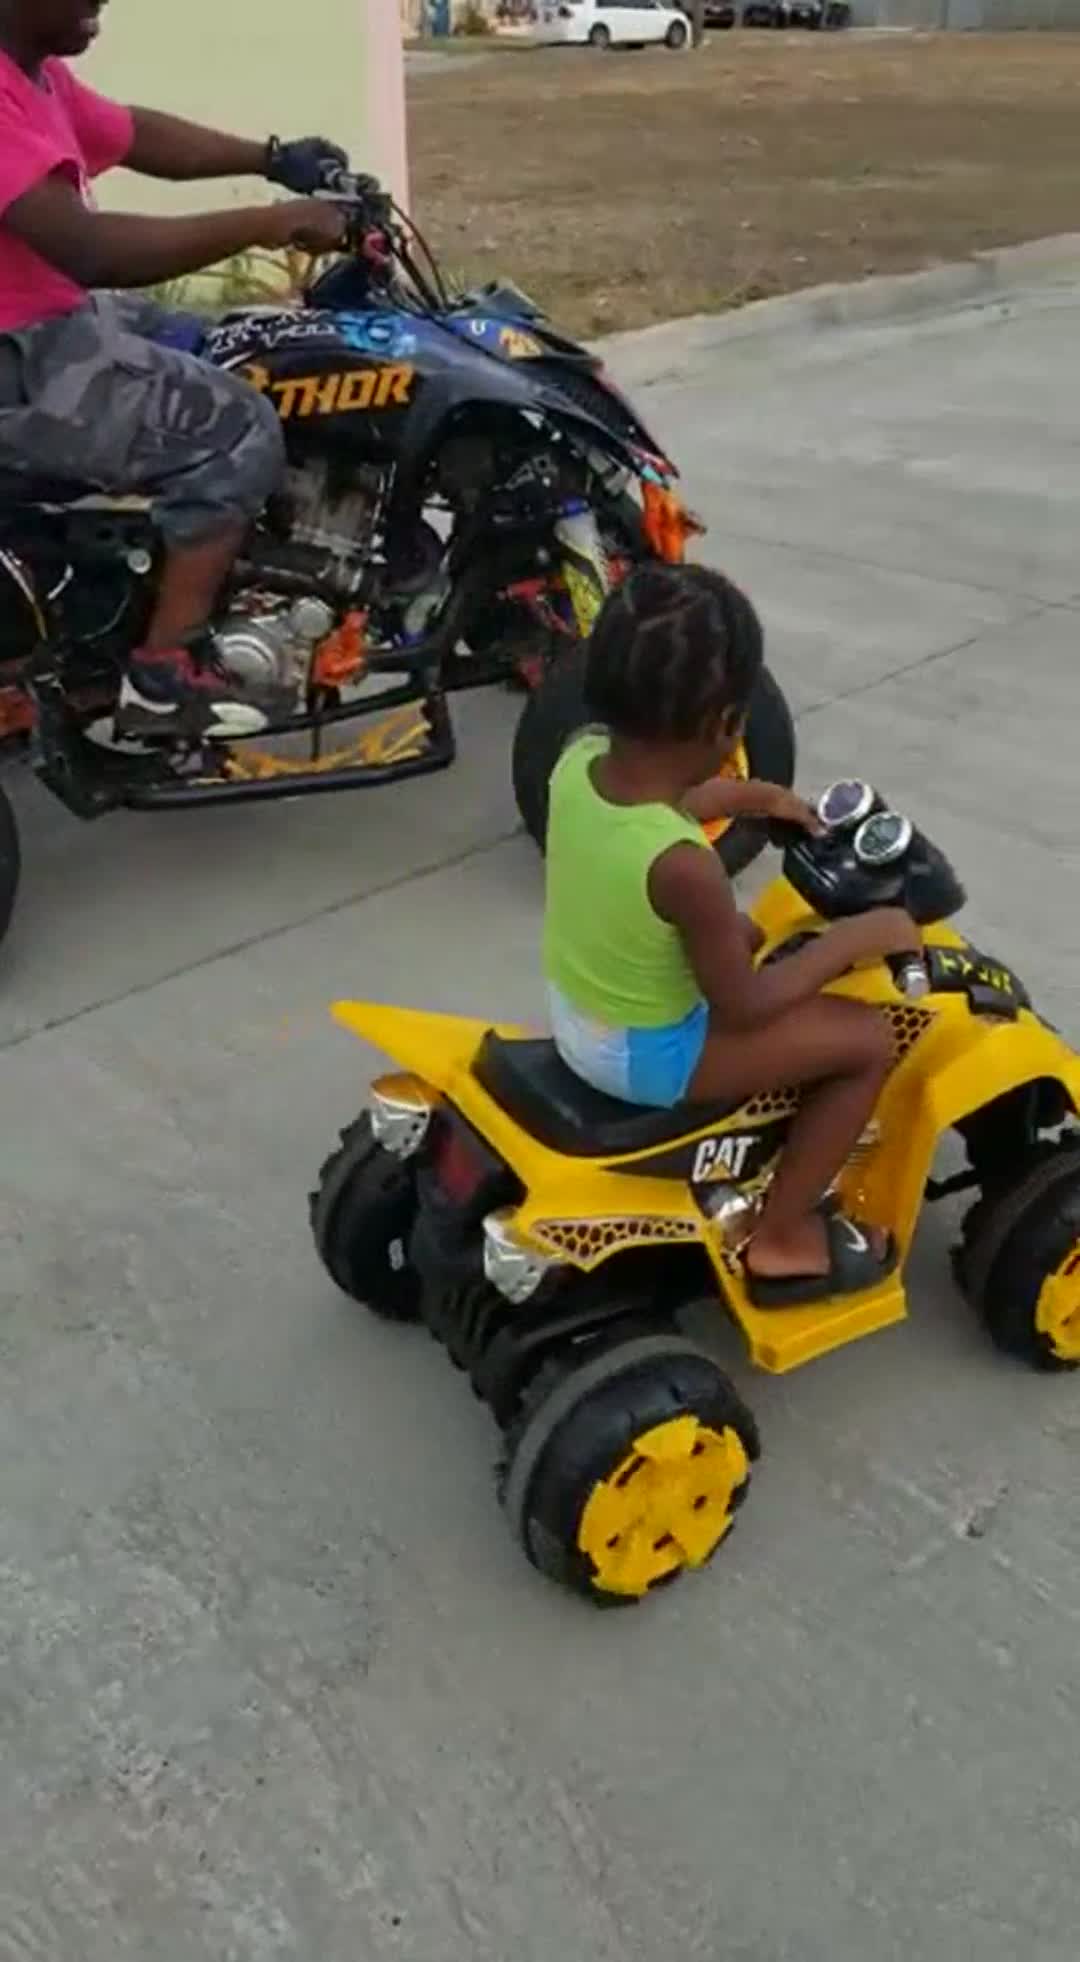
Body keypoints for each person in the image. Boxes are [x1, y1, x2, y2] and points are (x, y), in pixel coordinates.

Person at [542, 563, 923, 1305]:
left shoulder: (579, 762)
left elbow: (671, 795)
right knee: (865, 1041)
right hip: (646, 1060)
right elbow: (747, 1006)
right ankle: (781, 1239)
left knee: (744, 932)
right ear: (727, 724)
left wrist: (763, 799)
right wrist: (862, 935)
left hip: (576, 1018)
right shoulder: (686, 867)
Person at [0, 0, 352, 740]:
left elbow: (136, 136)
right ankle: (163, 675)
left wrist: (273, 156)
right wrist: (264, 220)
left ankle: (205, 572)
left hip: (65, 320)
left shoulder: (37, 76)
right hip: (22, 359)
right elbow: (91, 249)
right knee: (237, 427)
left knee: (251, 348)